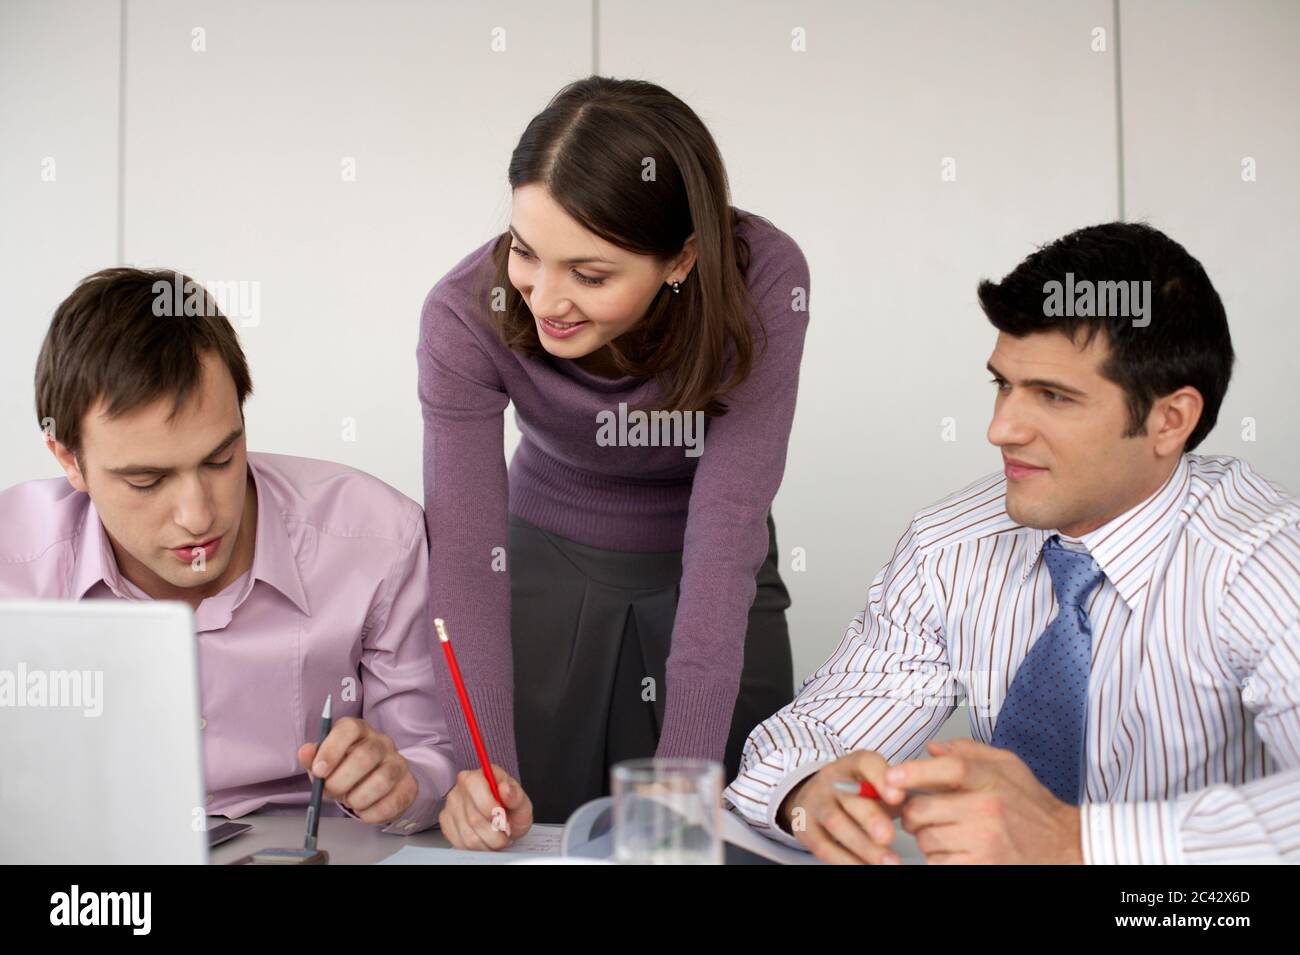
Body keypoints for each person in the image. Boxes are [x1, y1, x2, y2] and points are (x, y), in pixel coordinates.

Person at [725, 222, 1300, 864]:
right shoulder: (950, 544)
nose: (1000, 429)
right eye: (1002, 384)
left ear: (1170, 420)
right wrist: (813, 793)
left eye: (1053, 397)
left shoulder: (1262, 563)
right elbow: (800, 745)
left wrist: (1072, 843)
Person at [426, 75, 811, 845]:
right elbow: (469, 556)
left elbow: (728, 522)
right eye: (526, 252)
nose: (545, 299)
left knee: (723, 827)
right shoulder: (464, 312)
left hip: (715, 571)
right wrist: (481, 769)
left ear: (681, 259)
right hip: (544, 562)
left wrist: (684, 776)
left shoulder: (764, 278)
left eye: (591, 274)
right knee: (542, 825)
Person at [0, 267, 457, 833]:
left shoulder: (377, 537)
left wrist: (401, 785)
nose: (198, 515)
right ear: (69, 460)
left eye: (220, 459)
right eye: (146, 481)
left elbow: (432, 760)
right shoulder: (10, 565)